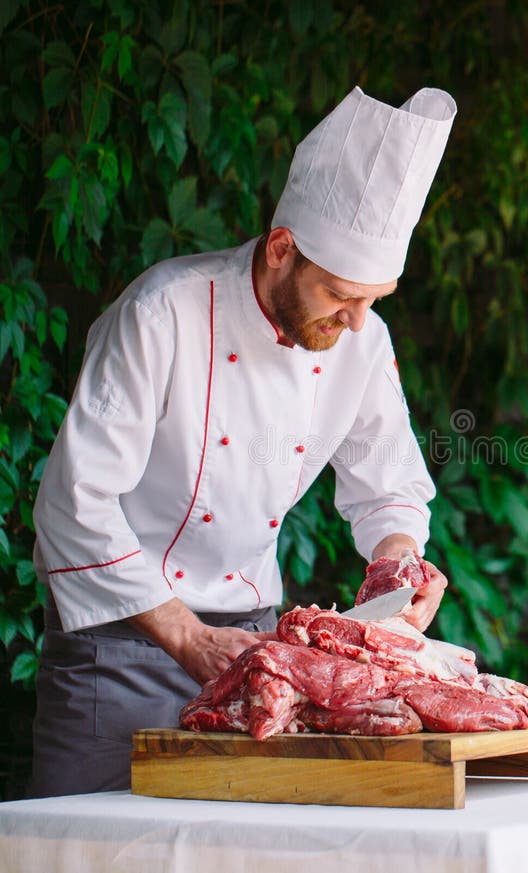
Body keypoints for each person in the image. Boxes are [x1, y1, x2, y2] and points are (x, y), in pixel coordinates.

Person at [29, 85, 457, 796]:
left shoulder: (363, 340)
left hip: (258, 655)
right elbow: (74, 501)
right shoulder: (161, 312)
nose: (355, 322)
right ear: (282, 249)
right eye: (339, 295)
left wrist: (399, 561)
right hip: (118, 644)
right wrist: (187, 637)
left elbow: (389, 483)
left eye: (373, 300)